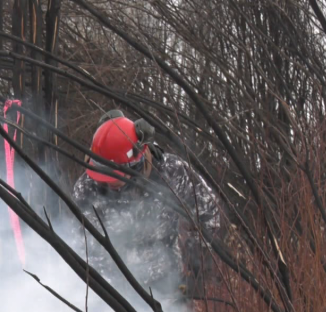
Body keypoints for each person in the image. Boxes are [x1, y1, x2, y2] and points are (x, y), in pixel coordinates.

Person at [71, 110, 222, 300]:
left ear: (135, 163)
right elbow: (87, 251)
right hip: (114, 294)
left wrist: (197, 269)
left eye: (112, 176)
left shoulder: (172, 174)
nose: (107, 182)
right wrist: (108, 299)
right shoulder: (87, 189)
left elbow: (208, 212)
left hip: (168, 287)